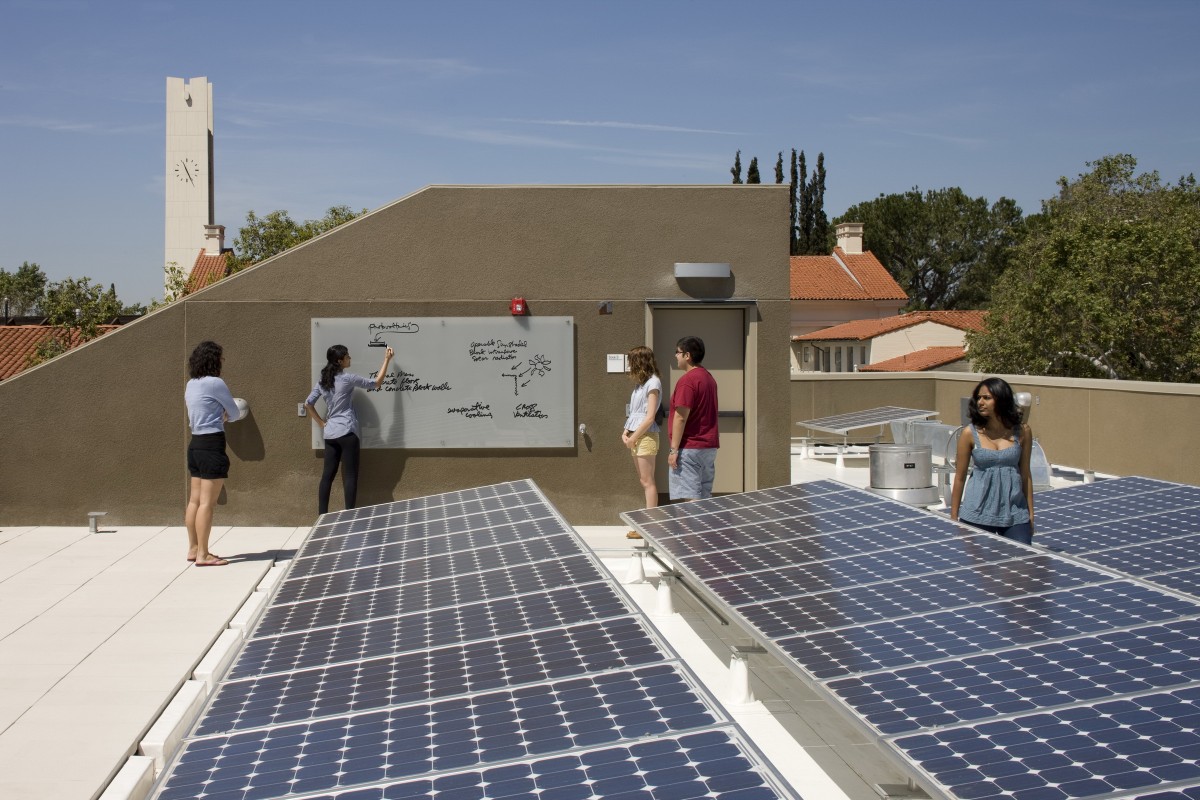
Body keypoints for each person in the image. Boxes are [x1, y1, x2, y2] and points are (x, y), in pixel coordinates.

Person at [305, 344, 394, 515]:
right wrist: (387, 359)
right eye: (347, 356)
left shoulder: (322, 382)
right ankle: (349, 517)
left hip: (330, 434)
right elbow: (376, 383)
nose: (350, 358)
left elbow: (308, 404)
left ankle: (321, 516)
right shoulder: (347, 379)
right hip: (347, 432)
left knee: (327, 476)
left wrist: (322, 423)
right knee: (351, 476)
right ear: (340, 361)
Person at [950, 376, 1035, 544]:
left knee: (1021, 562)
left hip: (1014, 512)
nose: (980, 402)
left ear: (1001, 399)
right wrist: (953, 517)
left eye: (986, 398)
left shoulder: (1023, 431)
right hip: (977, 511)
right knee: (981, 568)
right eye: (978, 398)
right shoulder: (969, 433)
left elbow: (1025, 475)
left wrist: (1030, 514)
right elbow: (959, 478)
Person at [184, 340, 239, 567]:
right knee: (208, 503)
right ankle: (204, 555)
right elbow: (234, 412)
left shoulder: (191, 384)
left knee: (194, 500)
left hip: (195, 443)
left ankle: (193, 548)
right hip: (212, 443)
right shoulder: (216, 383)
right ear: (214, 360)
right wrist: (225, 415)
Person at [667, 336, 719, 501]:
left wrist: (673, 450)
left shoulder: (687, 381)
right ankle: (704, 527)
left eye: (678, 352)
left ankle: (689, 528)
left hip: (689, 448)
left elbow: (680, 417)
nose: (675, 356)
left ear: (687, 355)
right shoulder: (708, 378)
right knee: (703, 498)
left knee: (689, 500)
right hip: (708, 447)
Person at [622, 346, 663, 538]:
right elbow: (634, 413)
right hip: (636, 436)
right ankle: (648, 525)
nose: (629, 365)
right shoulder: (640, 384)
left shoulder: (653, 383)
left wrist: (633, 437)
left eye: (632, 361)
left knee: (648, 481)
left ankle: (650, 527)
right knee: (643, 480)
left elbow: (649, 417)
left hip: (645, 436)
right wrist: (625, 432)